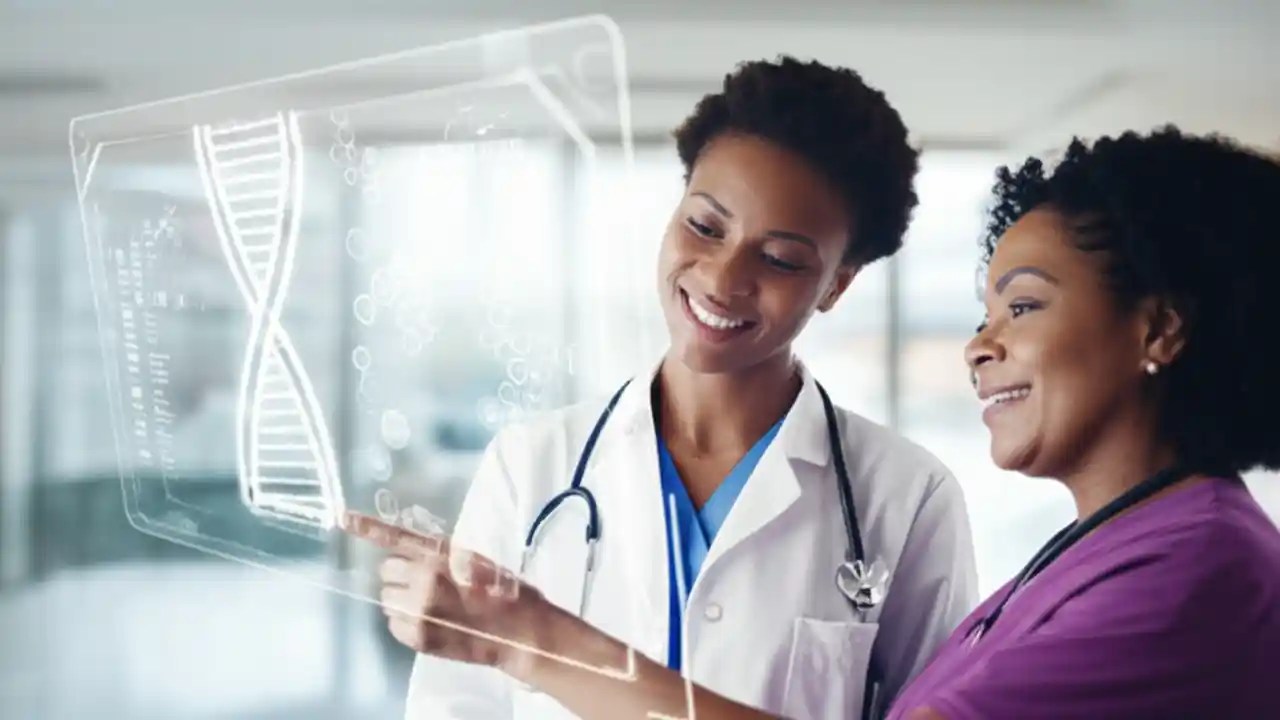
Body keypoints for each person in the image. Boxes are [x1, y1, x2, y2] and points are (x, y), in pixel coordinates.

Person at [348, 126, 1280, 719]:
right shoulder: (1103, 551)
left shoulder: (1192, 572)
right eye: (705, 226)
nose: (978, 347)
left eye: (1024, 307)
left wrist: (538, 640)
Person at [367, 56, 978, 720]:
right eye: (706, 227)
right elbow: (453, 706)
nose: (722, 278)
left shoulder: (908, 499)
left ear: (836, 283)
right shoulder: (530, 465)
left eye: (779, 259)